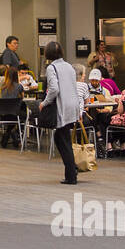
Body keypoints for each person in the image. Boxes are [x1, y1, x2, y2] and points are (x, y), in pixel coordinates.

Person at [40, 41, 82, 184]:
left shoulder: (51, 68)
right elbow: (73, 87)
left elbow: (54, 89)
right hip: (73, 105)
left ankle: (71, 174)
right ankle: (72, 170)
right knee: (63, 137)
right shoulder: (69, 67)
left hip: (62, 106)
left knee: (62, 139)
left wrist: (44, 103)